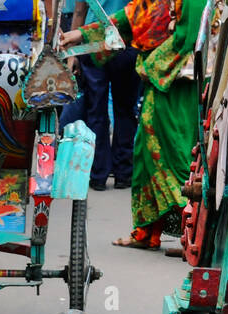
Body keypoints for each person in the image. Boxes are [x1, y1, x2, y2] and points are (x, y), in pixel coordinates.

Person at [60, 0, 200, 249]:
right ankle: (147, 232)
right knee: (145, 156)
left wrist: (151, 65)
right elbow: (133, 16)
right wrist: (80, 34)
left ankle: (192, 233)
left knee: (175, 155)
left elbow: (188, 39)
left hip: (176, 85)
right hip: (157, 83)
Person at [66, 0, 138, 191]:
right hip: (125, 41)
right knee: (125, 110)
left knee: (96, 110)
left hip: (93, 43)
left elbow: (80, 11)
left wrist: (71, 55)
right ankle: (123, 172)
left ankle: (98, 173)